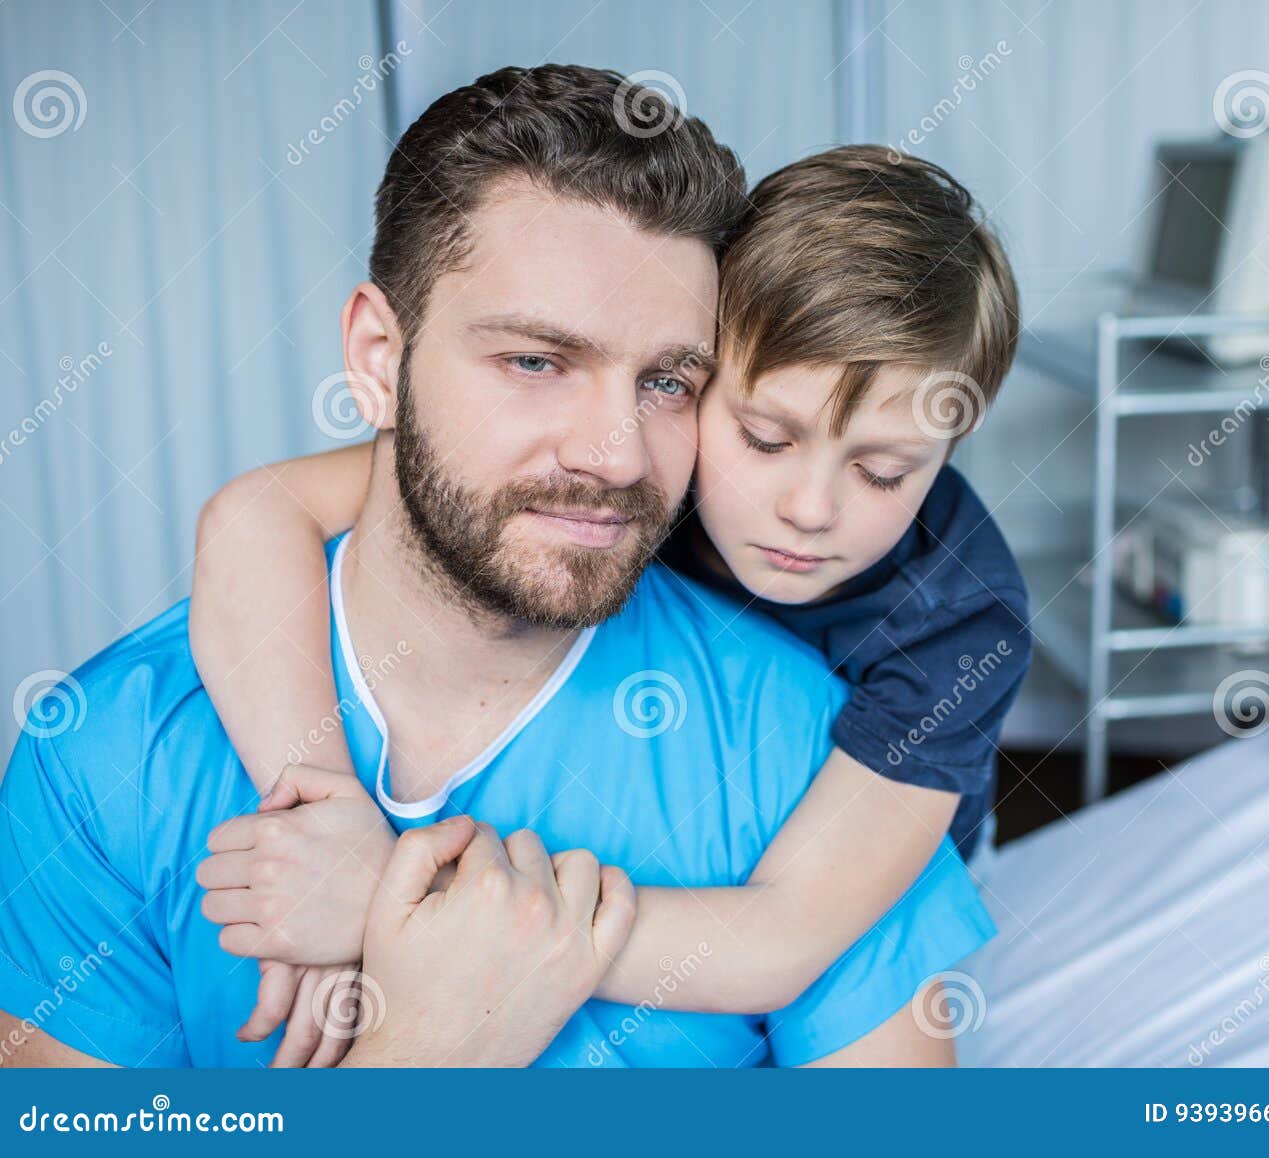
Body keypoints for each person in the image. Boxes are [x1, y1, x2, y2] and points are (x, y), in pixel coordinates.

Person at [0, 64, 991, 1069]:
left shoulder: (814, 743)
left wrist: (418, 909)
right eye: (535, 362)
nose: (614, 454)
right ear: (379, 360)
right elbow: (256, 510)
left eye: (665, 381)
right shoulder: (104, 760)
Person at [187, 143, 1030, 1040]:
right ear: (695, 377)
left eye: (883, 471)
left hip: (869, 855)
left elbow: (781, 940)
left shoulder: (962, 627)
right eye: (765, 439)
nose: (810, 509)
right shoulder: (630, 459)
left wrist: (393, 903)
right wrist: (327, 812)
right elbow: (255, 511)